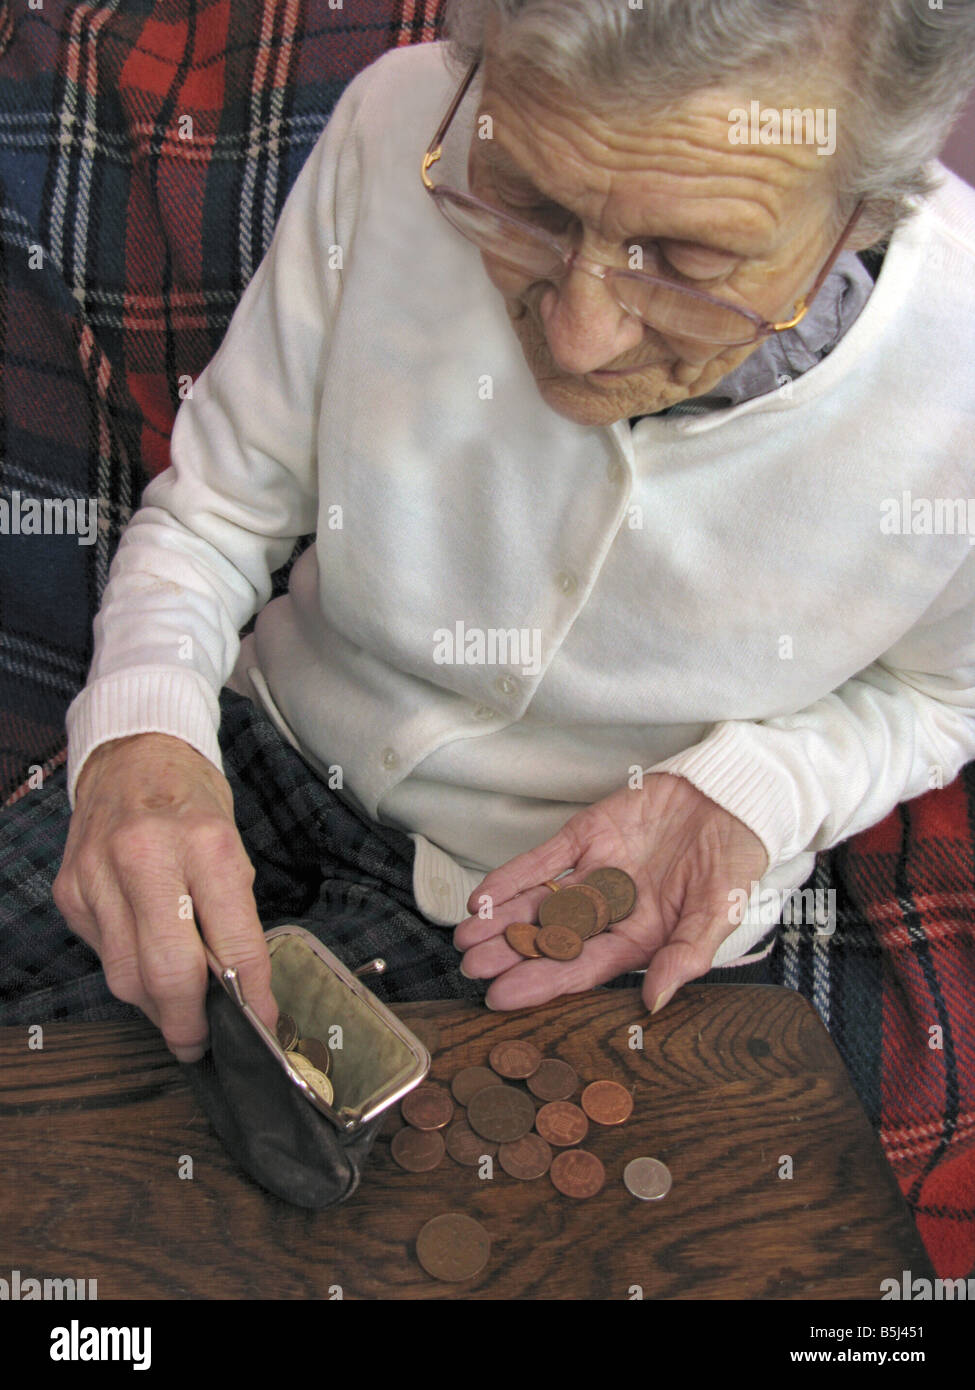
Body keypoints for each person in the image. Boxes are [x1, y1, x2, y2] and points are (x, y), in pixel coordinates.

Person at [3, 0, 973, 1095]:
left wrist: (766, 786)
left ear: (863, 216)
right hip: (254, 753)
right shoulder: (399, 125)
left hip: (586, 912)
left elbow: (944, 696)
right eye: (528, 206)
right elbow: (216, 514)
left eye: (689, 264)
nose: (577, 339)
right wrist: (142, 733)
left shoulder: (961, 369)